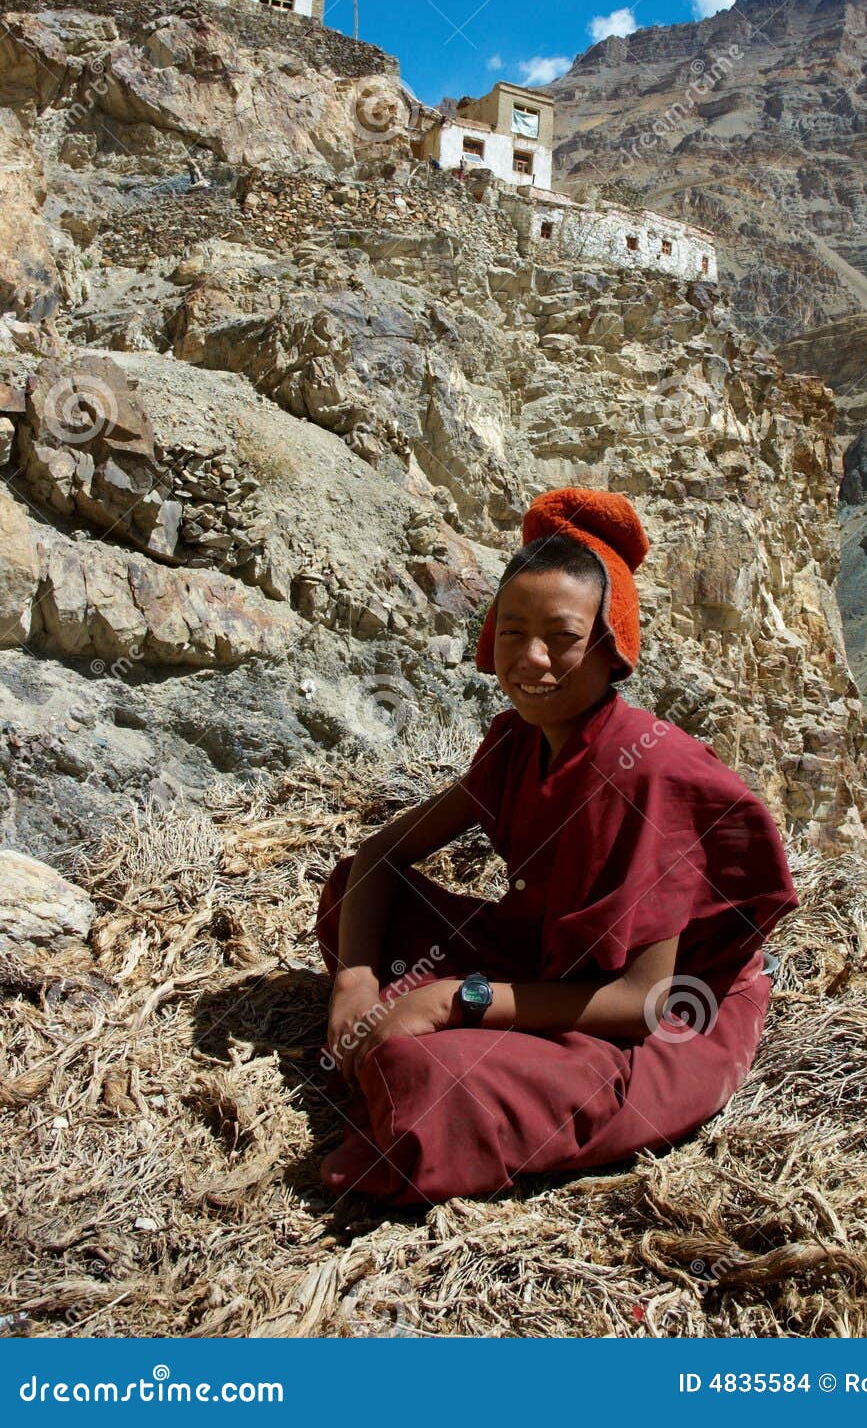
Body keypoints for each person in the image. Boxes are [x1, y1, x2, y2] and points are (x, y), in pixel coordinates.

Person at [315, 487, 799, 1204]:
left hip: (657, 1026)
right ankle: (435, 1039)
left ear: (611, 648)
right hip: (548, 963)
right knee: (349, 894)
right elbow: (383, 855)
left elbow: (641, 1002)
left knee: (429, 1081)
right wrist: (355, 983)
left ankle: (449, 1073)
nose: (532, 660)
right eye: (512, 633)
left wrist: (457, 1002)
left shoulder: (651, 771)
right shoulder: (515, 743)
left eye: (563, 637)